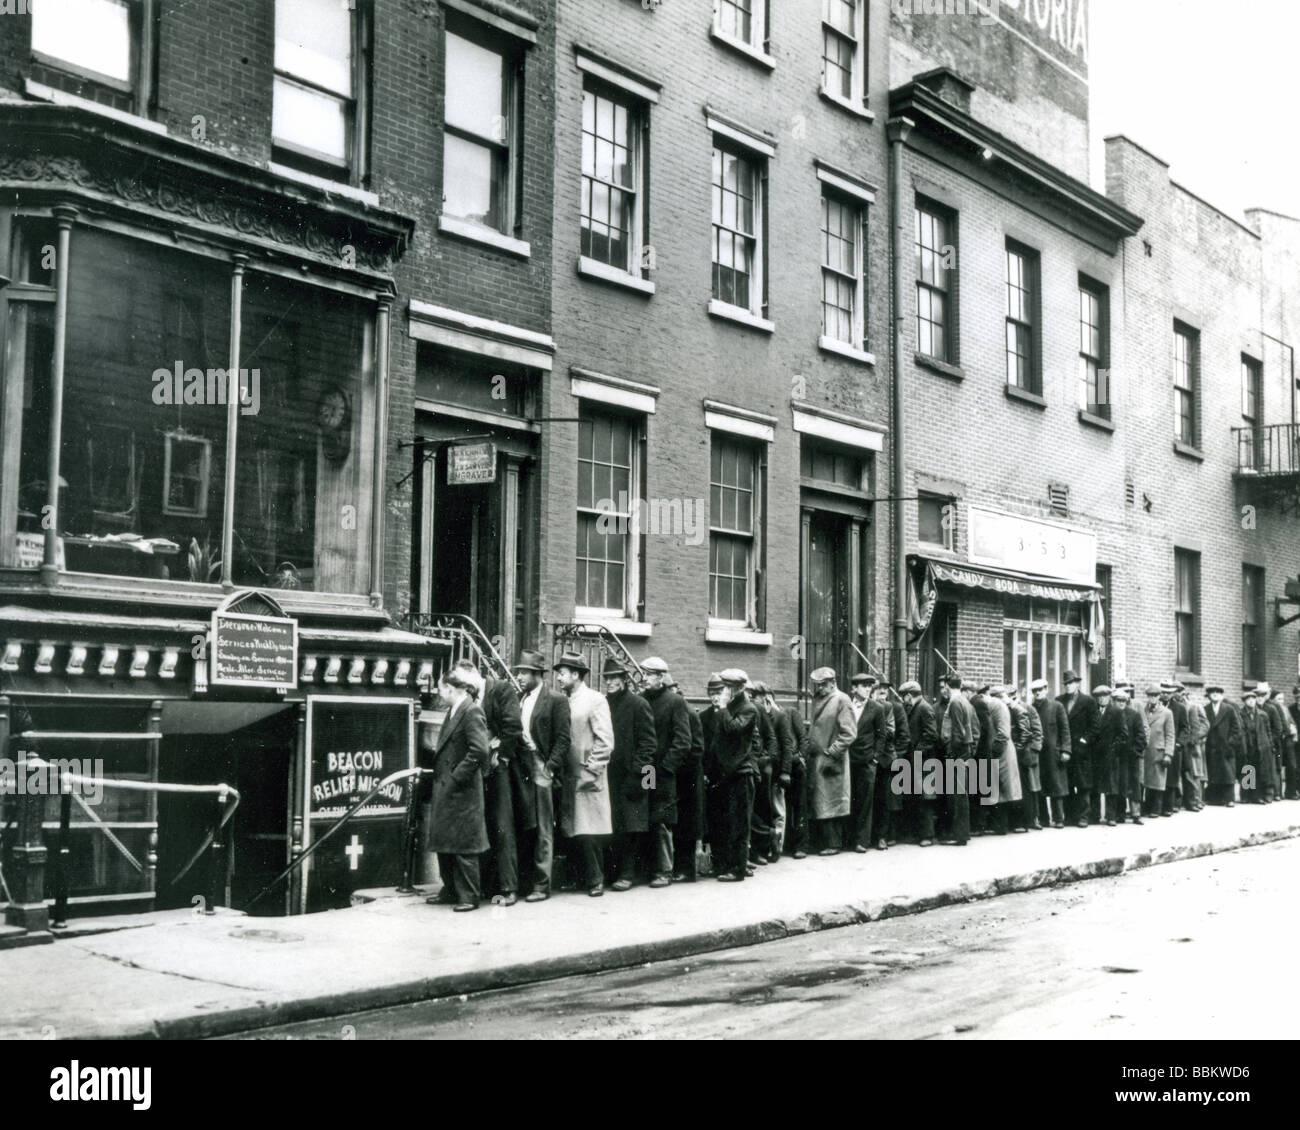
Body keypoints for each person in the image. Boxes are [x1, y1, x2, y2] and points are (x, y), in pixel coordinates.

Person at [454, 660, 525, 907]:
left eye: (466, 682)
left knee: (503, 825)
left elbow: (513, 726)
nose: (465, 689)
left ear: (475, 674)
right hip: (478, 769)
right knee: (480, 825)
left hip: (500, 767)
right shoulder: (469, 698)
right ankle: (485, 885)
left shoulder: (502, 689)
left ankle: (508, 888)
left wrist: (499, 752)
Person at [425, 669, 492, 912]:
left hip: (461, 791)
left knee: (464, 846)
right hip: (449, 789)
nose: (439, 693)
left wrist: (455, 779)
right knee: (446, 843)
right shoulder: (454, 710)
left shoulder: (471, 710)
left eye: (441, 689)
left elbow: (479, 751)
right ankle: (451, 889)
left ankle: (469, 895)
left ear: (451, 689)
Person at [553, 651, 614, 896]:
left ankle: (595, 880)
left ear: (576, 675)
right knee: (572, 830)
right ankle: (579, 878)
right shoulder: (564, 701)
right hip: (568, 776)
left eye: (563, 673)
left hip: (587, 776)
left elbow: (606, 741)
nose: (558, 678)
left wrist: (592, 769)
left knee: (588, 831)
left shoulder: (595, 700)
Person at [511, 649, 570, 902]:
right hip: (520, 769)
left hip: (541, 768)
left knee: (544, 828)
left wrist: (550, 767)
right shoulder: (519, 698)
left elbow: (564, 738)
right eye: (519, 672)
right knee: (526, 825)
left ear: (537, 674)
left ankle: (542, 884)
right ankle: (525, 881)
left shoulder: (555, 700)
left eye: (524, 672)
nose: (520, 677)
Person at [603, 659, 657, 891]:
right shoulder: (604, 704)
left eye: (614, 678)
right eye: (607, 678)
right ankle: (616, 872)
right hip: (610, 775)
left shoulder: (638, 704)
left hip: (635, 775)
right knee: (616, 824)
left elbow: (649, 743)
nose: (610, 682)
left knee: (634, 824)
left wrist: (640, 775)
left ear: (625, 680)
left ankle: (629, 874)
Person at [703, 669, 759, 882]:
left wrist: (724, 707)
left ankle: (738, 870)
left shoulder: (748, 709)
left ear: (739, 688)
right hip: (725, 773)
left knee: (739, 824)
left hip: (741, 773)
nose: (724, 691)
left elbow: (734, 729)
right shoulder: (731, 707)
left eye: (729, 687)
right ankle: (726, 865)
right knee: (725, 822)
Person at [641, 657, 691, 888]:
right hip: (647, 769)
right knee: (646, 814)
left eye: (649, 674)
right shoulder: (641, 701)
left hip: (663, 771)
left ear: (661, 677)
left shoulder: (674, 702)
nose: (644, 677)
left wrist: (666, 768)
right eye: (643, 673)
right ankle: (647, 868)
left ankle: (664, 870)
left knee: (662, 820)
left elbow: (683, 741)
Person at [803, 667, 856, 856]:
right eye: (817, 685)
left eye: (823, 685)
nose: (820, 688)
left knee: (831, 802)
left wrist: (832, 752)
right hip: (816, 758)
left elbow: (849, 734)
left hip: (832, 759)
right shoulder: (818, 699)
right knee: (819, 801)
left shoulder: (842, 699)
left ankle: (834, 843)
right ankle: (822, 842)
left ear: (833, 682)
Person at [669, 672, 706, 883]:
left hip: (688, 779)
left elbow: (696, 748)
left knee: (687, 824)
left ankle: (687, 869)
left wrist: (680, 769)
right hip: (675, 777)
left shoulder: (688, 713)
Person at [846, 673, 889, 853]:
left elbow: (881, 735)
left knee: (865, 802)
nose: (867, 689)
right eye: (864, 685)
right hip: (848, 759)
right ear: (854, 688)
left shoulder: (876, 708)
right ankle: (848, 839)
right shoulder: (846, 705)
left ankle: (862, 841)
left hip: (866, 761)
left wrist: (875, 757)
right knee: (850, 800)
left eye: (870, 686)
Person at [937, 674, 978, 846]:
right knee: (961, 795)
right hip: (965, 752)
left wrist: (952, 753)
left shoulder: (954, 702)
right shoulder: (966, 701)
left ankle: (959, 835)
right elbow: (974, 728)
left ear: (947, 685)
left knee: (957, 795)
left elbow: (957, 731)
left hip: (958, 753)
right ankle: (963, 833)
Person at [757, 683, 795, 862]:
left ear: (766, 697)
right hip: (762, 771)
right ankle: (765, 846)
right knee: (764, 810)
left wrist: (785, 771)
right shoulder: (756, 714)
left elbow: (787, 745)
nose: (753, 698)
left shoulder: (779, 716)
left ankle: (777, 847)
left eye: (756, 695)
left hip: (777, 771)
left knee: (778, 810)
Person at [900, 680, 940, 845]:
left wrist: (917, 751)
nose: (903, 700)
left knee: (925, 798)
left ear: (909, 695)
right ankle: (920, 834)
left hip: (924, 760)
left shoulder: (924, 708)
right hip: (917, 760)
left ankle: (927, 836)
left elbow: (932, 734)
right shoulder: (917, 707)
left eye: (904, 697)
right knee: (917, 796)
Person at [1058, 671, 1098, 829]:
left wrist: (1084, 740)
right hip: (1065, 750)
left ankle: (1083, 817)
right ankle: (1069, 816)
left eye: (1071, 683)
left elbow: (1094, 727)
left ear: (1077, 683)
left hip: (1082, 750)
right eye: (1066, 683)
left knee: (1083, 785)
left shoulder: (1088, 701)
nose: (1068, 686)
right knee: (1066, 783)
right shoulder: (1059, 701)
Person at [747, 679, 780, 869]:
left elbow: (771, 738)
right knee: (750, 813)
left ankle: (763, 849)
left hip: (761, 766)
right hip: (747, 767)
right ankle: (754, 851)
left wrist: (768, 760)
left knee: (762, 809)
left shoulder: (759, 711)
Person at [1031, 678, 1071, 828]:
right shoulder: (1031, 708)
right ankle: (1043, 818)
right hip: (1038, 753)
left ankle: (1059, 818)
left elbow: (1065, 730)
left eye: (1040, 689)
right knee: (1040, 786)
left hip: (1054, 754)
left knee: (1056, 785)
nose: (1037, 693)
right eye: (1035, 691)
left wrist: (1066, 750)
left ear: (1046, 689)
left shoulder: (1056, 707)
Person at [872, 681, 908, 848]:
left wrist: (896, 756)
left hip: (886, 759)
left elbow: (901, 735)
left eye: (885, 689)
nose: (882, 692)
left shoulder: (892, 708)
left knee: (886, 799)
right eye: (879, 689)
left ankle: (883, 836)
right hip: (868, 758)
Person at [985, 686, 1021, 834]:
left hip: (1001, 752)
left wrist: (993, 752)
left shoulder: (998, 707)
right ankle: (1002, 825)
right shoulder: (1001, 706)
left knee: (1002, 790)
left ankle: (1002, 826)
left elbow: (1002, 733)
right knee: (1003, 789)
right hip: (1003, 751)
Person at [1090, 686, 1128, 826]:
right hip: (1095, 756)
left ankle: (1111, 816)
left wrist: (1113, 750)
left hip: (1110, 756)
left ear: (1109, 697)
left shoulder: (1117, 712)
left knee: (1111, 787)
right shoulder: (1093, 712)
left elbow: (1123, 735)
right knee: (1095, 787)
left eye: (1104, 696)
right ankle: (1094, 816)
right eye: (1099, 696)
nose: (1101, 699)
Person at [1008, 684, 1042, 831]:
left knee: (1031, 788)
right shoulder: (1007, 708)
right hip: (1014, 753)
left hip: (1026, 754)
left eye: (1012, 696)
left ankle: (1033, 819)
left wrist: (1033, 751)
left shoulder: (1028, 709)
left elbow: (1037, 732)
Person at [1203, 684, 1242, 808]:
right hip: (1211, 748)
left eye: (1218, 692)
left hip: (1225, 748)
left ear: (1222, 695)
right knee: (1213, 773)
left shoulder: (1229, 709)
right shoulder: (1205, 709)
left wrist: (1230, 743)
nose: (1215, 694)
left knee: (1228, 774)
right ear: (1208, 696)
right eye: (1212, 692)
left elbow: (1237, 729)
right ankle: (1216, 799)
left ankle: (1229, 799)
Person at [1115, 684, 1147, 824]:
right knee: (1120, 784)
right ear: (1114, 701)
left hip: (1132, 757)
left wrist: (1135, 751)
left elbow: (1141, 736)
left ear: (1127, 701)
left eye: (1124, 701)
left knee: (1134, 785)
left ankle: (1135, 813)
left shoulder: (1134, 715)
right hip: (1118, 757)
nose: (1121, 703)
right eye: (1118, 700)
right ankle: (1120, 814)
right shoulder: (1112, 714)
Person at [1143, 685, 1176, 817]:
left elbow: (1170, 734)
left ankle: (1156, 808)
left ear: (1159, 697)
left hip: (1158, 751)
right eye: (1150, 696)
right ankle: (1145, 807)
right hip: (1145, 751)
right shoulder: (1143, 710)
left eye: (1155, 696)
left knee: (1158, 782)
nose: (1152, 698)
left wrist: (1168, 753)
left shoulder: (1166, 713)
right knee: (1145, 781)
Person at [1239, 688, 1275, 804]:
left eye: (1253, 699)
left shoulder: (1262, 715)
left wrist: (1269, 744)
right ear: (1244, 701)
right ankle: (1245, 795)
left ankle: (1257, 796)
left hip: (1260, 746)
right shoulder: (1240, 714)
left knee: (1259, 770)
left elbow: (1268, 731)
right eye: (1248, 699)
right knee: (1247, 769)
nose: (1251, 701)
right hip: (1247, 745)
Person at [967, 682, 994, 836]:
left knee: (981, 789)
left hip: (981, 753)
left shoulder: (977, 703)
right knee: (980, 789)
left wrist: (977, 751)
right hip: (982, 753)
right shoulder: (977, 703)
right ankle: (980, 824)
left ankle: (980, 825)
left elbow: (984, 729)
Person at [1162, 681, 1187, 815]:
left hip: (1173, 747)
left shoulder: (1180, 708)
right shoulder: (1155, 705)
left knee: (1171, 778)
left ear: (1172, 693)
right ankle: (1155, 806)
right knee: (1158, 777)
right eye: (1163, 692)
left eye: (1168, 692)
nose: (1165, 695)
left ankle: (1168, 807)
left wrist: (1178, 743)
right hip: (1159, 746)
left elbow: (1185, 728)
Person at [1182, 686, 1209, 812]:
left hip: (1193, 745)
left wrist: (1195, 738)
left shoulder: (1194, 707)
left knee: (1194, 774)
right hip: (1181, 744)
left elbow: (1204, 724)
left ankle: (1197, 800)